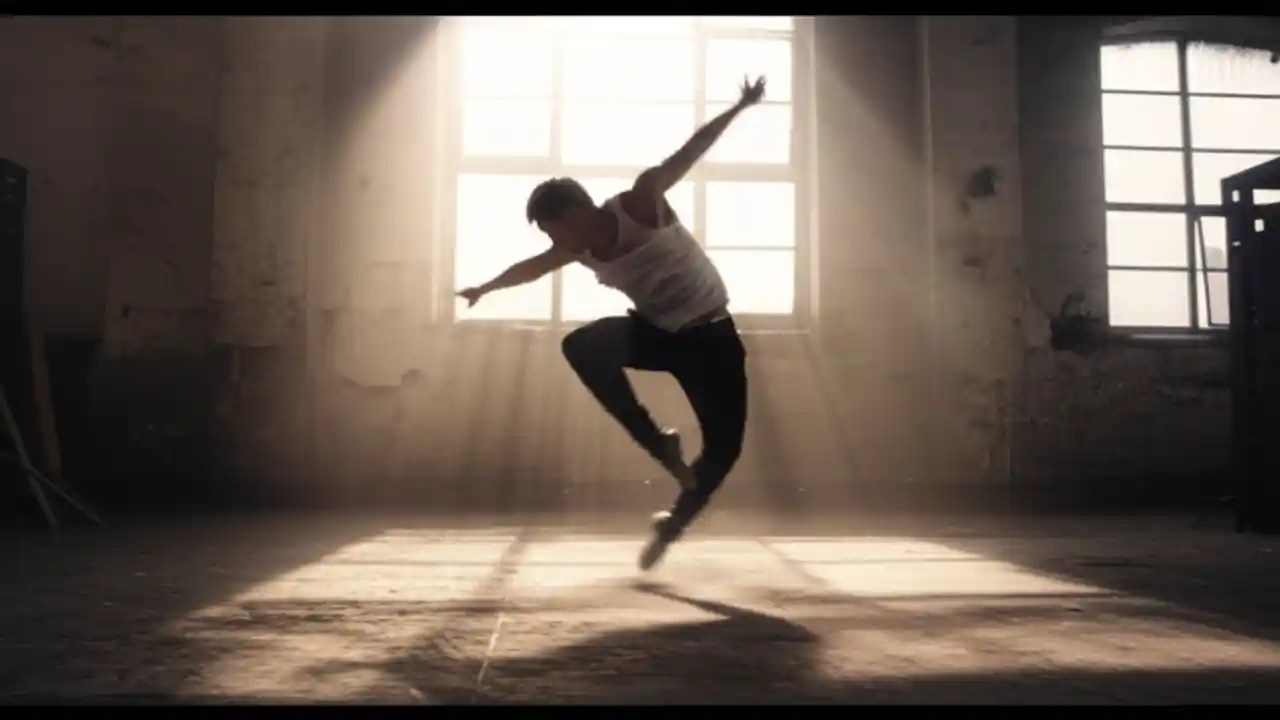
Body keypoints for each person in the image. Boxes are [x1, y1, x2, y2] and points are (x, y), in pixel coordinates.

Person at [457, 76, 766, 570]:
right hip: (658, 334)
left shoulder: (642, 202)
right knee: (581, 345)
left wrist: (740, 106)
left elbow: (691, 151)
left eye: (556, 226)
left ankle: (673, 525)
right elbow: (531, 267)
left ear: (578, 209)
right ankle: (659, 443)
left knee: (724, 449)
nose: (557, 239)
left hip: (712, 337)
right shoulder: (575, 248)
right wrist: (485, 289)